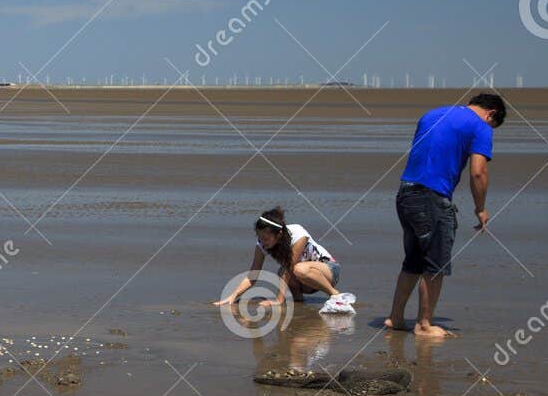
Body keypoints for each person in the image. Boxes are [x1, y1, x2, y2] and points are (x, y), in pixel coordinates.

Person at [385, 93, 505, 339]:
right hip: (432, 197)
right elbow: (478, 172)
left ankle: (395, 318)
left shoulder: (433, 114)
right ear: (491, 113)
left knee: (413, 261)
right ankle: (425, 325)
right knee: (435, 264)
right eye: (493, 124)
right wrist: (480, 208)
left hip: (406, 194)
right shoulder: (480, 126)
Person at [215, 207, 354, 314]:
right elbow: (253, 275)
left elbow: (290, 266)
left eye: (266, 238)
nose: (262, 242)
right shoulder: (261, 244)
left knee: (295, 269)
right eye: (260, 237)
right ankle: (299, 301)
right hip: (304, 282)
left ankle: (336, 296)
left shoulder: (298, 233)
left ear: (279, 234)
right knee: (283, 271)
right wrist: (233, 297)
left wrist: (279, 300)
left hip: (328, 271)